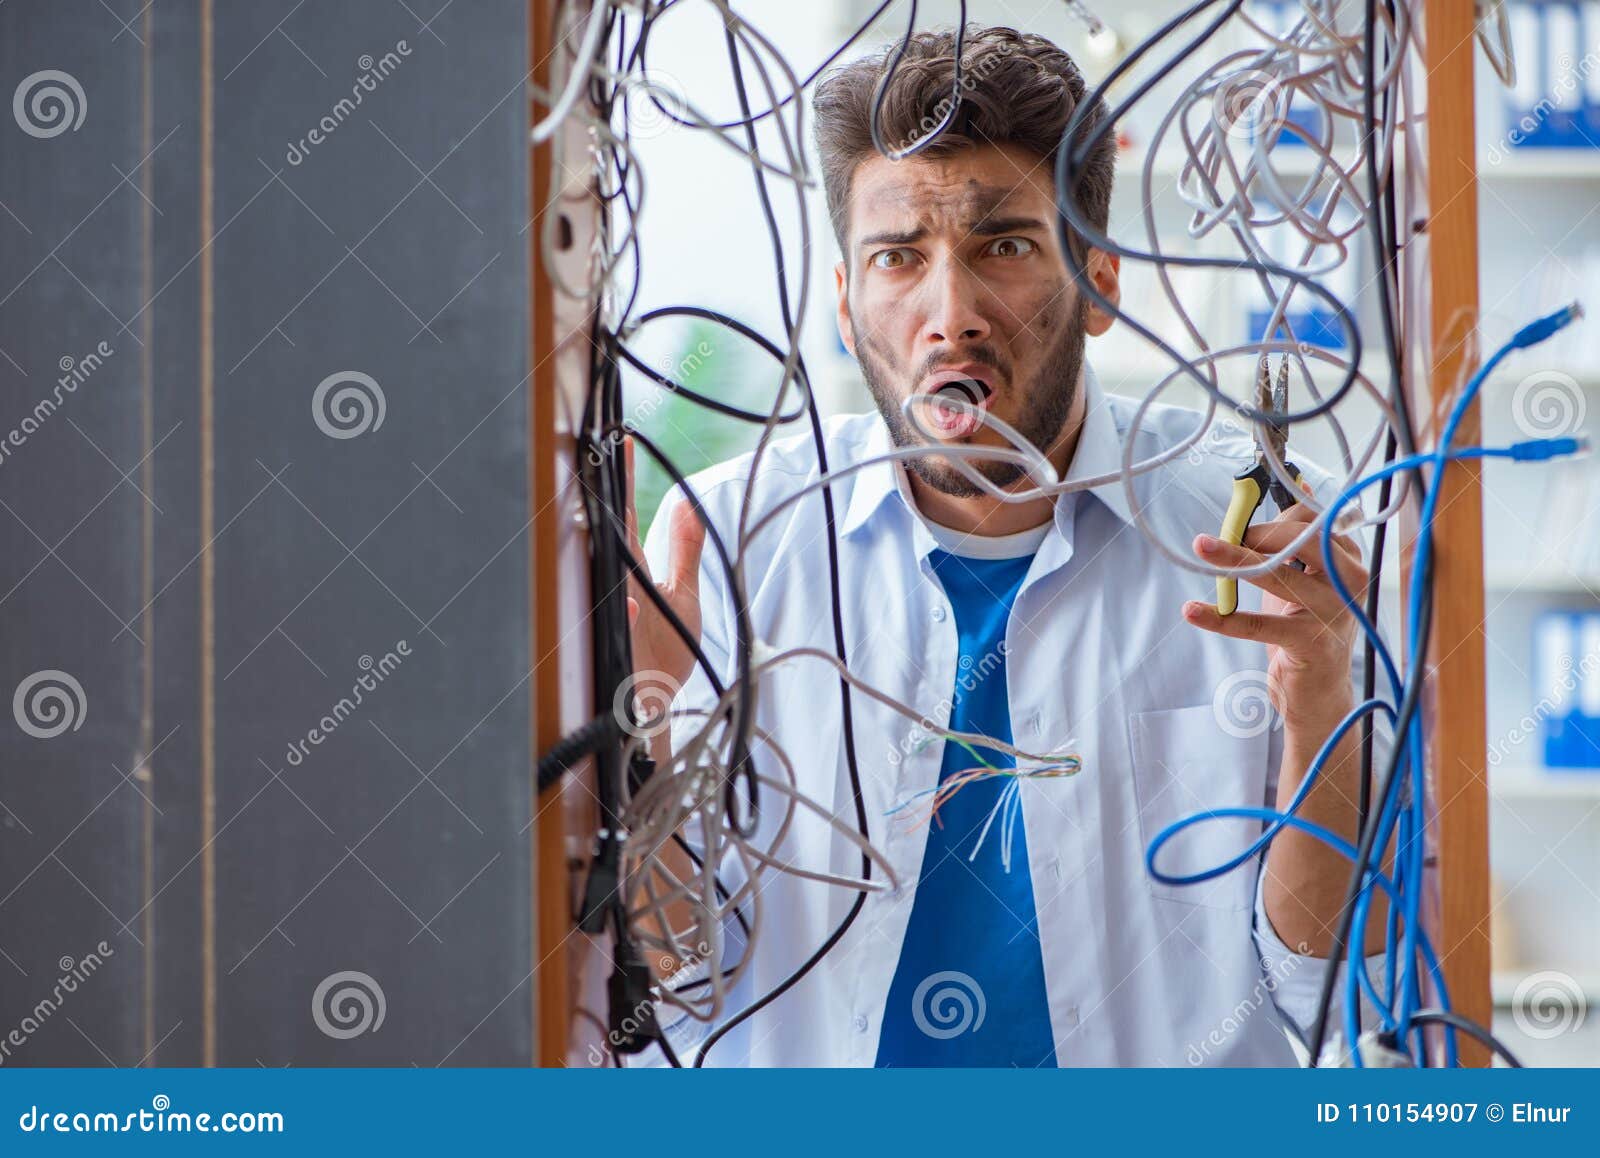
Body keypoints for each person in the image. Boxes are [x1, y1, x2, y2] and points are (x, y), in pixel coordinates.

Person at [625, 25, 1387, 1067]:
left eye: (1006, 247)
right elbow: (672, 981)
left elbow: (1327, 980)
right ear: (847, 307)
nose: (952, 315)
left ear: (1102, 281)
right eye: (899, 258)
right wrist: (643, 756)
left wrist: (1320, 694)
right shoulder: (724, 545)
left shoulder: (1266, 541)